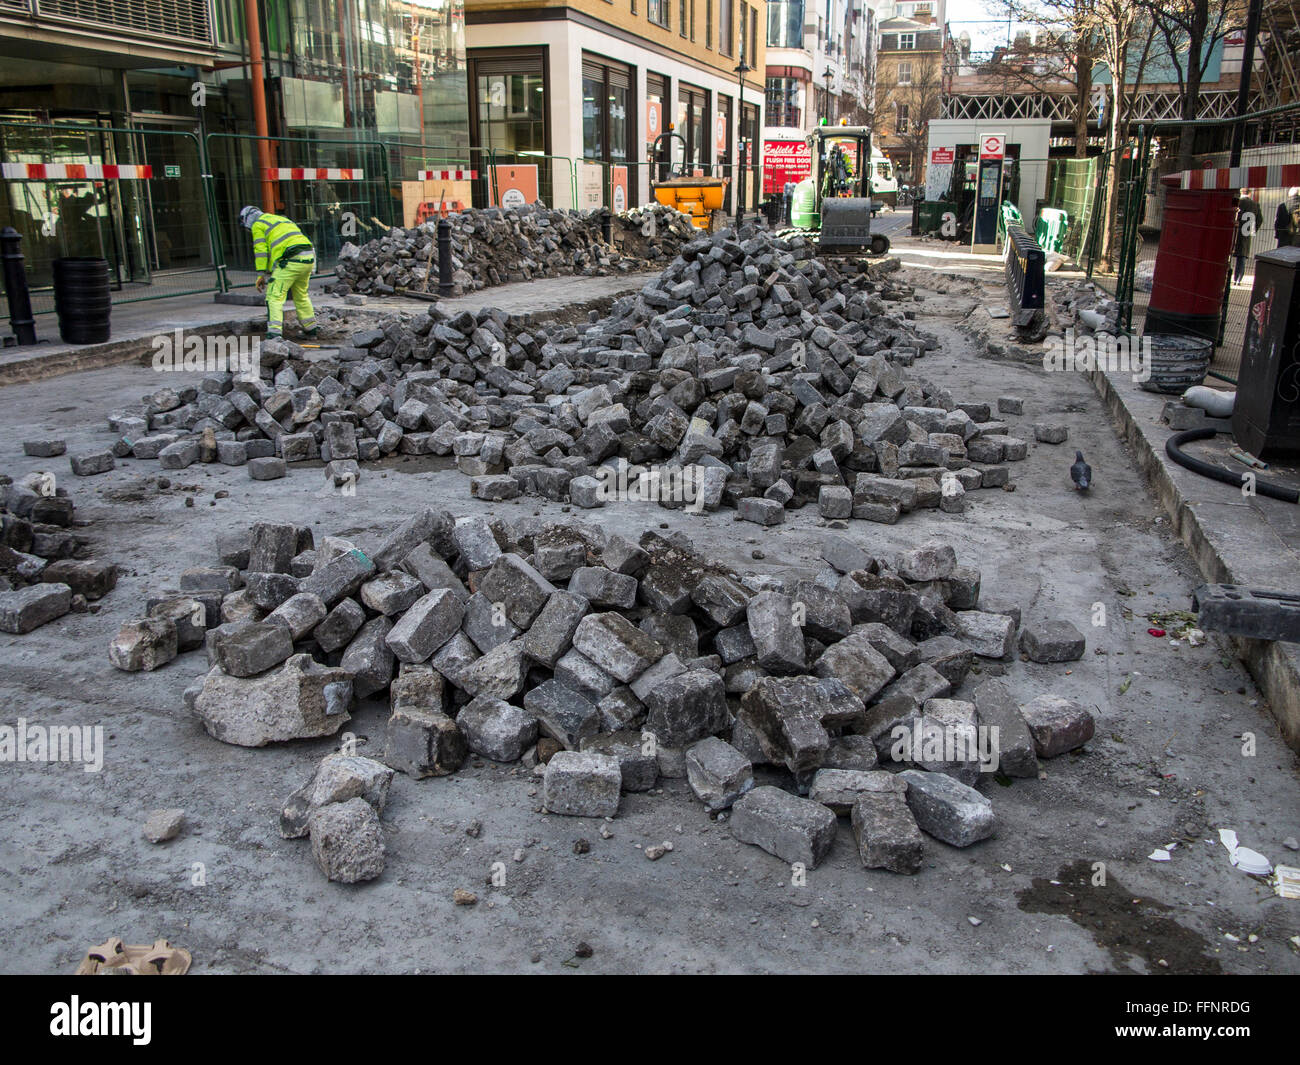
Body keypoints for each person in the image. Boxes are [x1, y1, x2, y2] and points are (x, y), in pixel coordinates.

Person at [239, 205, 317, 340]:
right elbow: (281, 246)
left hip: (290, 260)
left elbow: (261, 250)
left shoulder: (258, 224)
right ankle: (311, 330)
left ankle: (274, 334)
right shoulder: (280, 219)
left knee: (274, 297)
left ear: (247, 220)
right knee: (301, 295)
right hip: (308, 257)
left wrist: (261, 274)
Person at [1235, 189, 1262, 284]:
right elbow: (1260, 220)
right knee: (1242, 256)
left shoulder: (1237, 202)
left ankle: (1229, 277)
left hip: (1235, 230)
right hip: (1246, 232)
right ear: (1250, 193)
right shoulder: (1255, 205)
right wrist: (1253, 229)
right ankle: (1238, 278)